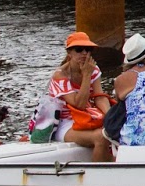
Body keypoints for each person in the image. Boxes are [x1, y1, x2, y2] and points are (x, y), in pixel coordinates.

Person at [49, 31, 115, 162]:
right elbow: (79, 104)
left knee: (116, 129)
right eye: (79, 49)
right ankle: (97, 173)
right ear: (69, 53)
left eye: (88, 49)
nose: (84, 53)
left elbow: (99, 97)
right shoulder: (60, 75)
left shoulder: (93, 69)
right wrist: (86, 76)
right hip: (64, 123)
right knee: (101, 137)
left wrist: (110, 117)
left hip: (85, 118)